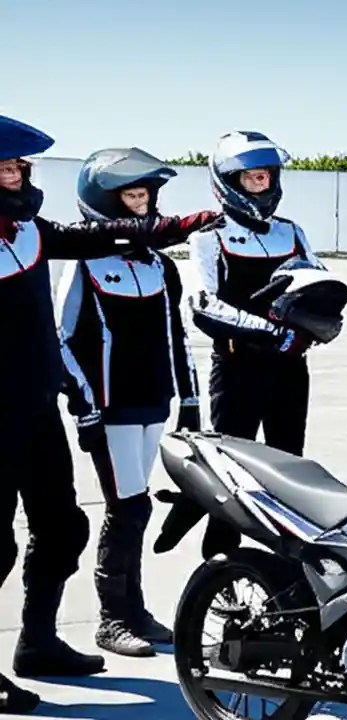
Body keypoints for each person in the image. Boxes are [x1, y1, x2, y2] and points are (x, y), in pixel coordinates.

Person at [0, 114, 217, 714]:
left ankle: (37, 643)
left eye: (20, 167)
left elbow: (93, 236)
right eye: (6, 167)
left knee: (63, 527)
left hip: (38, 409)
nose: (17, 177)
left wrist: (179, 224)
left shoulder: (28, 232)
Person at [55, 147, 202, 659]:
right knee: (128, 508)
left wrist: (191, 400)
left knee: (134, 507)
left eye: (146, 195)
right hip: (111, 409)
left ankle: (134, 611)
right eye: (131, 195)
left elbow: (175, 335)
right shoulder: (84, 263)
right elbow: (63, 339)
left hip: (152, 403)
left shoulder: (160, 264)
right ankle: (112, 619)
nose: (142, 205)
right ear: (103, 202)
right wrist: (87, 407)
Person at [186, 130, 326, 558]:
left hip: (289, 368)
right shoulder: (209, 237)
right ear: (228, 182)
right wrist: (270, 332)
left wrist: (317, 324)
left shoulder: (292, 232)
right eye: (251, 178)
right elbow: (204, 304)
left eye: (266, 177)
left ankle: (291, 569)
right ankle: (219, 579)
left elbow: (318, 285)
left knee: (290, 470)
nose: (261, 185)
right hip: (236, 370)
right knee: (229, 476)